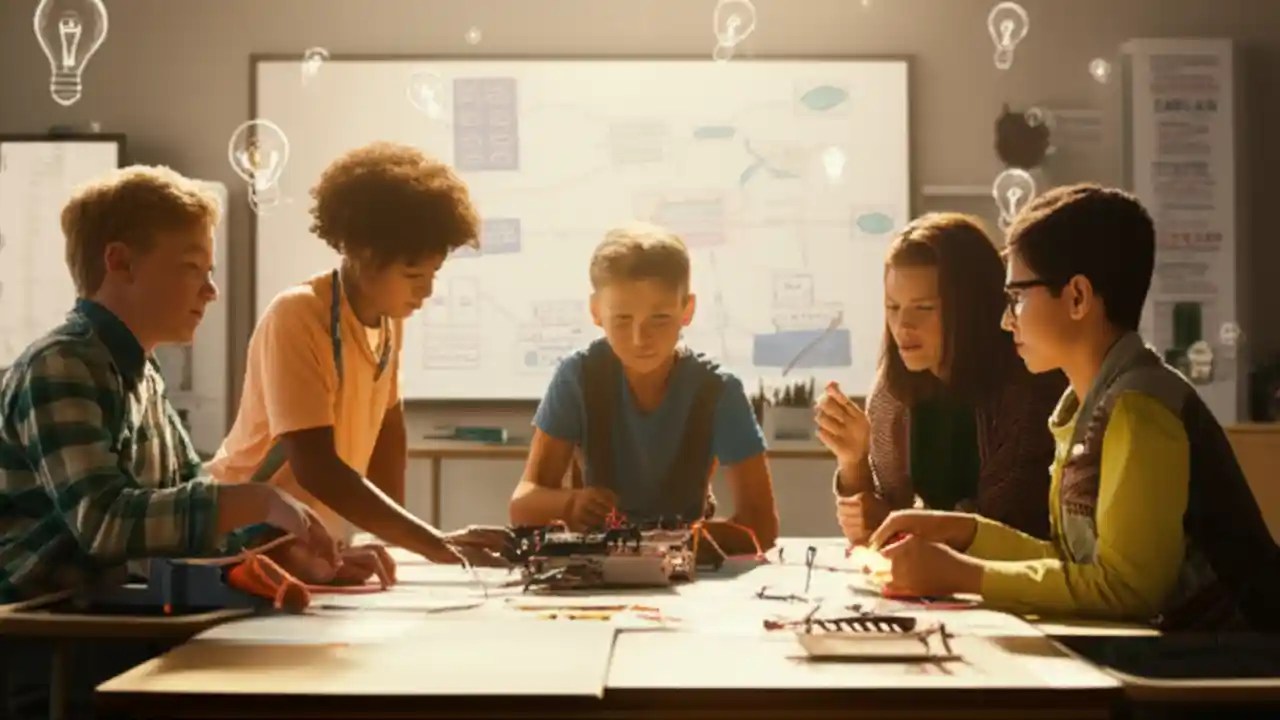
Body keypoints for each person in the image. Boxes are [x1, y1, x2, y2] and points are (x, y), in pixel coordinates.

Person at [0, 165, 338, 718]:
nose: (211, 290)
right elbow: (107, 523)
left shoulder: (143, 375)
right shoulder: (59, 365)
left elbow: (186, 512)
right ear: (120, 262)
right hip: (51, 657)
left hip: (113, 638)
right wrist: (260, 502)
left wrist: (281, 548)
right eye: (191, 268)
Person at [868, 184, 1280, 631]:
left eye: (1016, 298)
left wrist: (964, 574)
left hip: (1227, 671)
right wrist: (965, 533)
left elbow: (1127, 591)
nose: (1006, 320)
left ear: (1078, 298)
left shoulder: (1138, 409)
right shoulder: (1086, 402)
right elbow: (1073, 564)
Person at [208, 142, 511, 572]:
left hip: (304, 541)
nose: (426, 290)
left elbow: (389, 432)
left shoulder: (388, 322)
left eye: (432, 274)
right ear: (364, 253)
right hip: (242, 536)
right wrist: (432, 544)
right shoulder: (299, 315)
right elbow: (316, 465)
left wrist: (397, 538)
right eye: (413, 275)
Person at [509, 222, 780, 553]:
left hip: (686, 570)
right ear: (596, 311)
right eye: (623, 319)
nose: (640, 339)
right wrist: (569, 504)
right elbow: (523, 504)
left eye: (660, 319)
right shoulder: (577, 377)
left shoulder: (718, 390)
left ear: (687, 309)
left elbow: (762, 525)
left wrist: (669, 545)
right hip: (599, 568)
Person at [816, 213, 1065, 545]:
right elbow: (878, 526)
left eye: (924, 308)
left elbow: (1003, 531)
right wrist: (853, 461)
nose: (903, 326)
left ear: (970, 308)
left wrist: (894, 523)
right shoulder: (893, 394)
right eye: (893, 307)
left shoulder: (1025, 391)